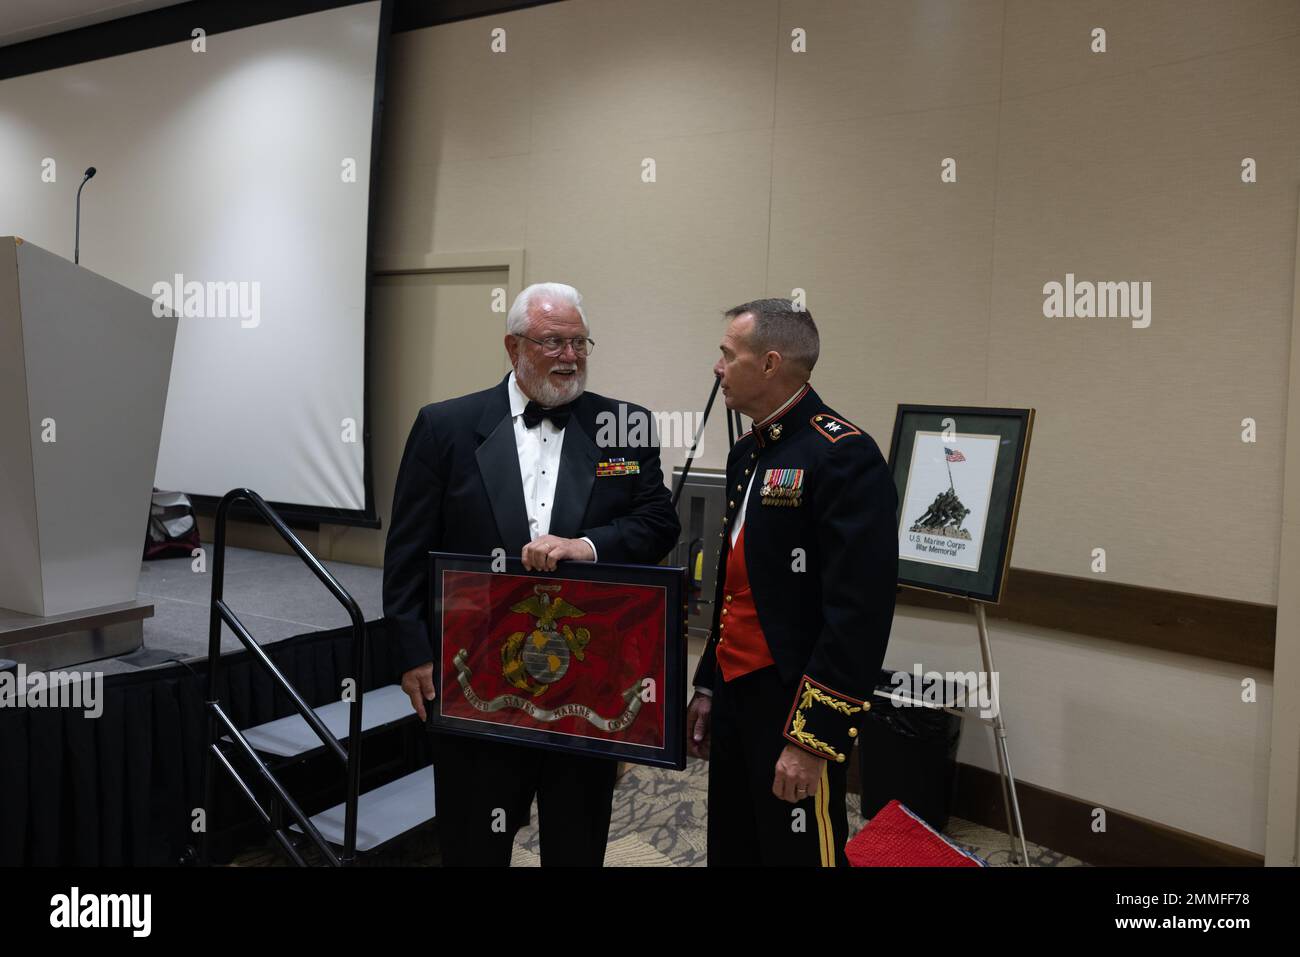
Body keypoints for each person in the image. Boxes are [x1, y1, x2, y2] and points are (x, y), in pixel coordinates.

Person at [383, 282, 680, 866]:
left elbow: (657, 522)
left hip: (587, 678)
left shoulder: (626, 424)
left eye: (579, 341)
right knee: (475, 835)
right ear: (512, 345)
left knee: (577, 835)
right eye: (553, 342)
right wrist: (414, 654)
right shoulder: (445, 426)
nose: (570, 356)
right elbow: (408, 548)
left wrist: (586, 546)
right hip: (477, 670)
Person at [686, 298, 898, 866]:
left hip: (794, 700)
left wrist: (813, 739)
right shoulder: (746, 452)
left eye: (727, 355)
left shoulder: (845, 455)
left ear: (771, 363)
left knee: (799, 851)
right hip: (736, 688)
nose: (717, 368)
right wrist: (708, 685)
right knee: (734, 841)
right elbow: (735, 586)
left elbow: (860, 614)